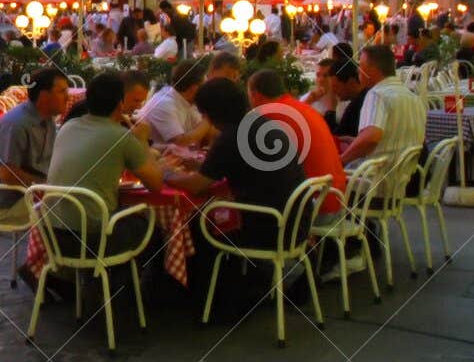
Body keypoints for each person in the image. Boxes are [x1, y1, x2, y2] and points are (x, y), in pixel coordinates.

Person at [165, 78, 310, 247]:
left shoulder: (229, 137)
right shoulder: (261, 124)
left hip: (269, 228)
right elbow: (230, 168)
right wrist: (195, 165)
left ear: (212, 113)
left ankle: (212, 273)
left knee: (196, 225)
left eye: (204, 114)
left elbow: (196, 185)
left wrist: (165, 174)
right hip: (297, 223)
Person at [45, 72, 165, 251]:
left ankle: (101, 276)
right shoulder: (121, 136)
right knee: (155, 231)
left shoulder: (68, 126)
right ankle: (116, 278)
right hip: (92, 238)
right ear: (120, 104)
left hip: (51, 234)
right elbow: (156, 184)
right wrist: (142, 140)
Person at [246, 68, 346, 216]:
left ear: (255, 95)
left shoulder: (266, 116)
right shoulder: (305, 108)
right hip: (337, 198)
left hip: (312, 210)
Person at [0, 68, 69, 209]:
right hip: (7, 202)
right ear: (44, 96)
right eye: (62, 92)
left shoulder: (48, 119)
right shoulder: (16, 124)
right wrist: (43, 185)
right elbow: (7, 175)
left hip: (29, 194)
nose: (67, 97)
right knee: (74, 211)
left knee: (76, 202)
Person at [340, 44, 426, 192]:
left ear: (373, 70)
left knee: (317, 181)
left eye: (360, 65)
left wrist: (341, 160)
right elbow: (394, 140)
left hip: (377, 183)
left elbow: (371, 138)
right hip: (404, 181)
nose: (357, 70)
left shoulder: (377, 95)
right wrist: (355, 142)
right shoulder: (413, 98)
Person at [135, 57, 213, 147]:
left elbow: (206, 132)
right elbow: (181, 142)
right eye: (204, 85)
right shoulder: (164, 104)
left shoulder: (189, 102)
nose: (207, 90)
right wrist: (209, 119)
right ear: (194, 88)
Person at [324, 60, 367, 140]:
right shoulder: (363, 97)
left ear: (351, 83)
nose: (333, 91)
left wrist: (330, 110)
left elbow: (335, 137)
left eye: (336, 86)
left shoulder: (356, 106)